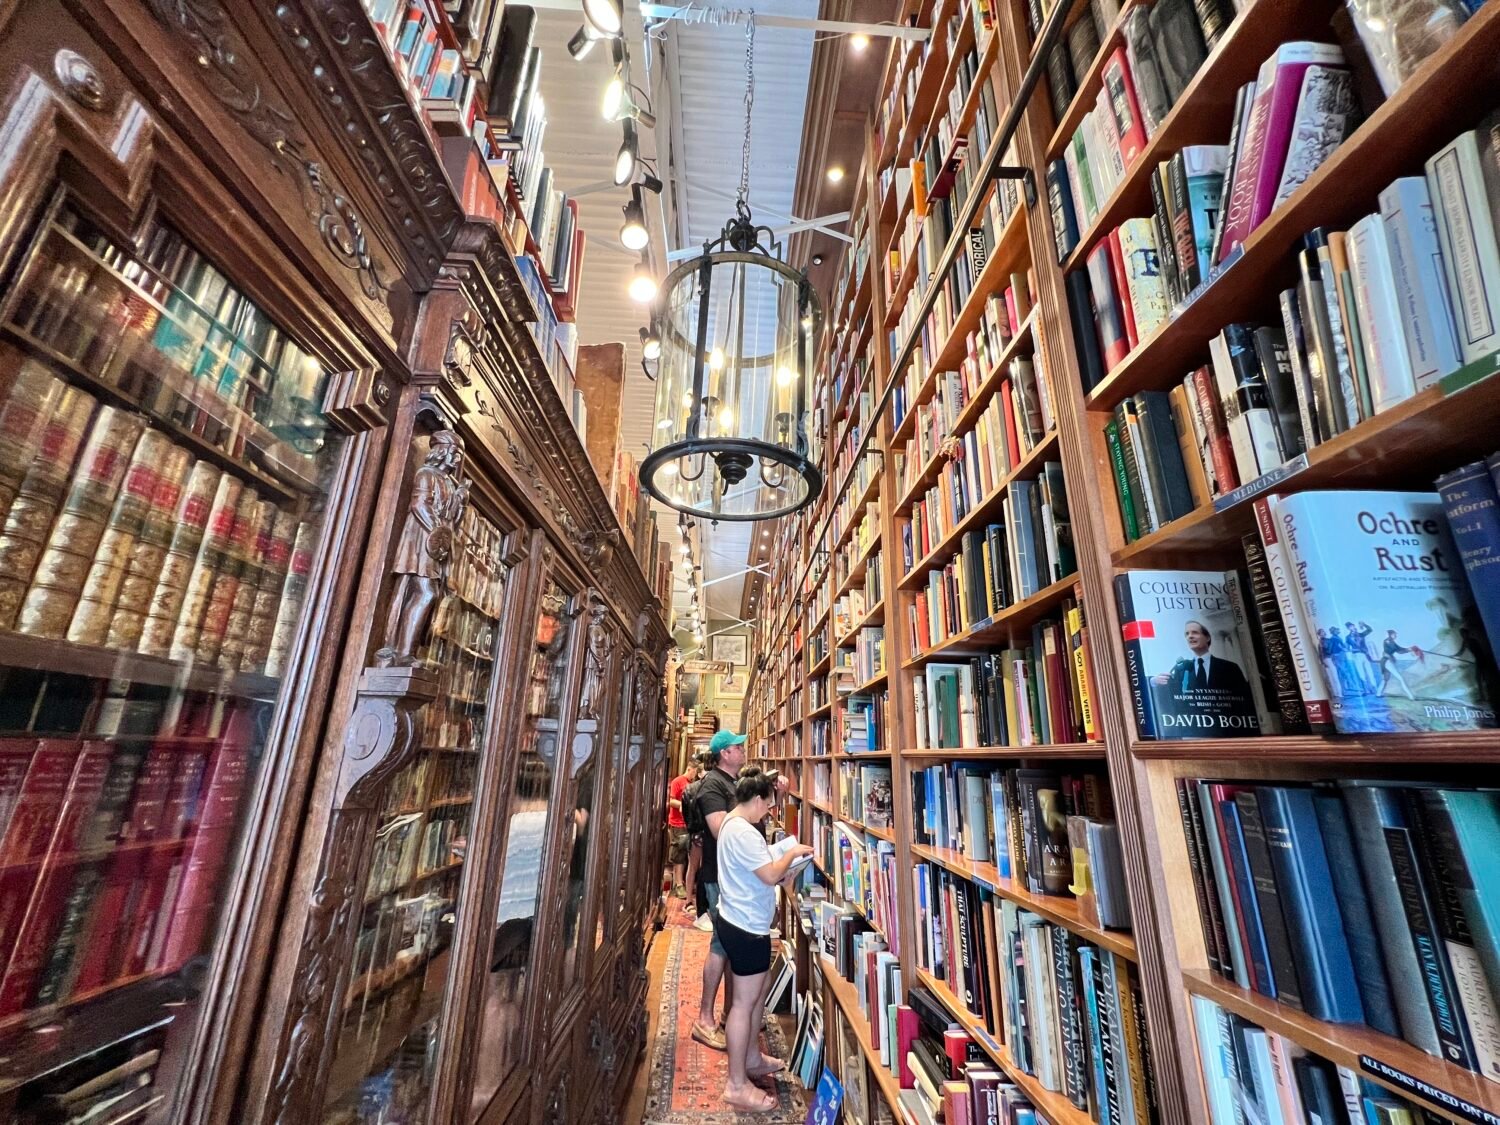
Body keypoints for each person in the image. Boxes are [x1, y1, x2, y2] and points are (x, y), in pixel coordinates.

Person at [712, 768, 814, 1112]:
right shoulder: (744, 833)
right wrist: (792, 851)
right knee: (743, 1004)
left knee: (754, 998)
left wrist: (778, 861)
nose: (768, 813)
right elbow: (770, 874)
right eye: (768, 807)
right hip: (746, 927)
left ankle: (752, 1059)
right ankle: (736, 1084)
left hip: (735, 918)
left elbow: (756, 868)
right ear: (756, 799)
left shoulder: (731, 821)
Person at [691, 729, 747, 1051]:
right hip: (719, 875)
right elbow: (720, 828)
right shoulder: (712, 785)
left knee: (728, 944)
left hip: (732, 875)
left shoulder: (730, 783)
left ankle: (726, 1014)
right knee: (721, 944)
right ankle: (704, 1020)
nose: (743, 750)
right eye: (738, 747)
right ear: (725, 753)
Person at [667, 758, 701, 899]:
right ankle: (678, 885)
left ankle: (684, 883)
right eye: (695, 772)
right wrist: (685, 804)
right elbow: (671, 800)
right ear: (690, 769)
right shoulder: (678, 781)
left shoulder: (692, 784)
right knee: (678, 854)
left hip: (689, 823)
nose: (696, 775)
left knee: (688, 854)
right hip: (677, 823)